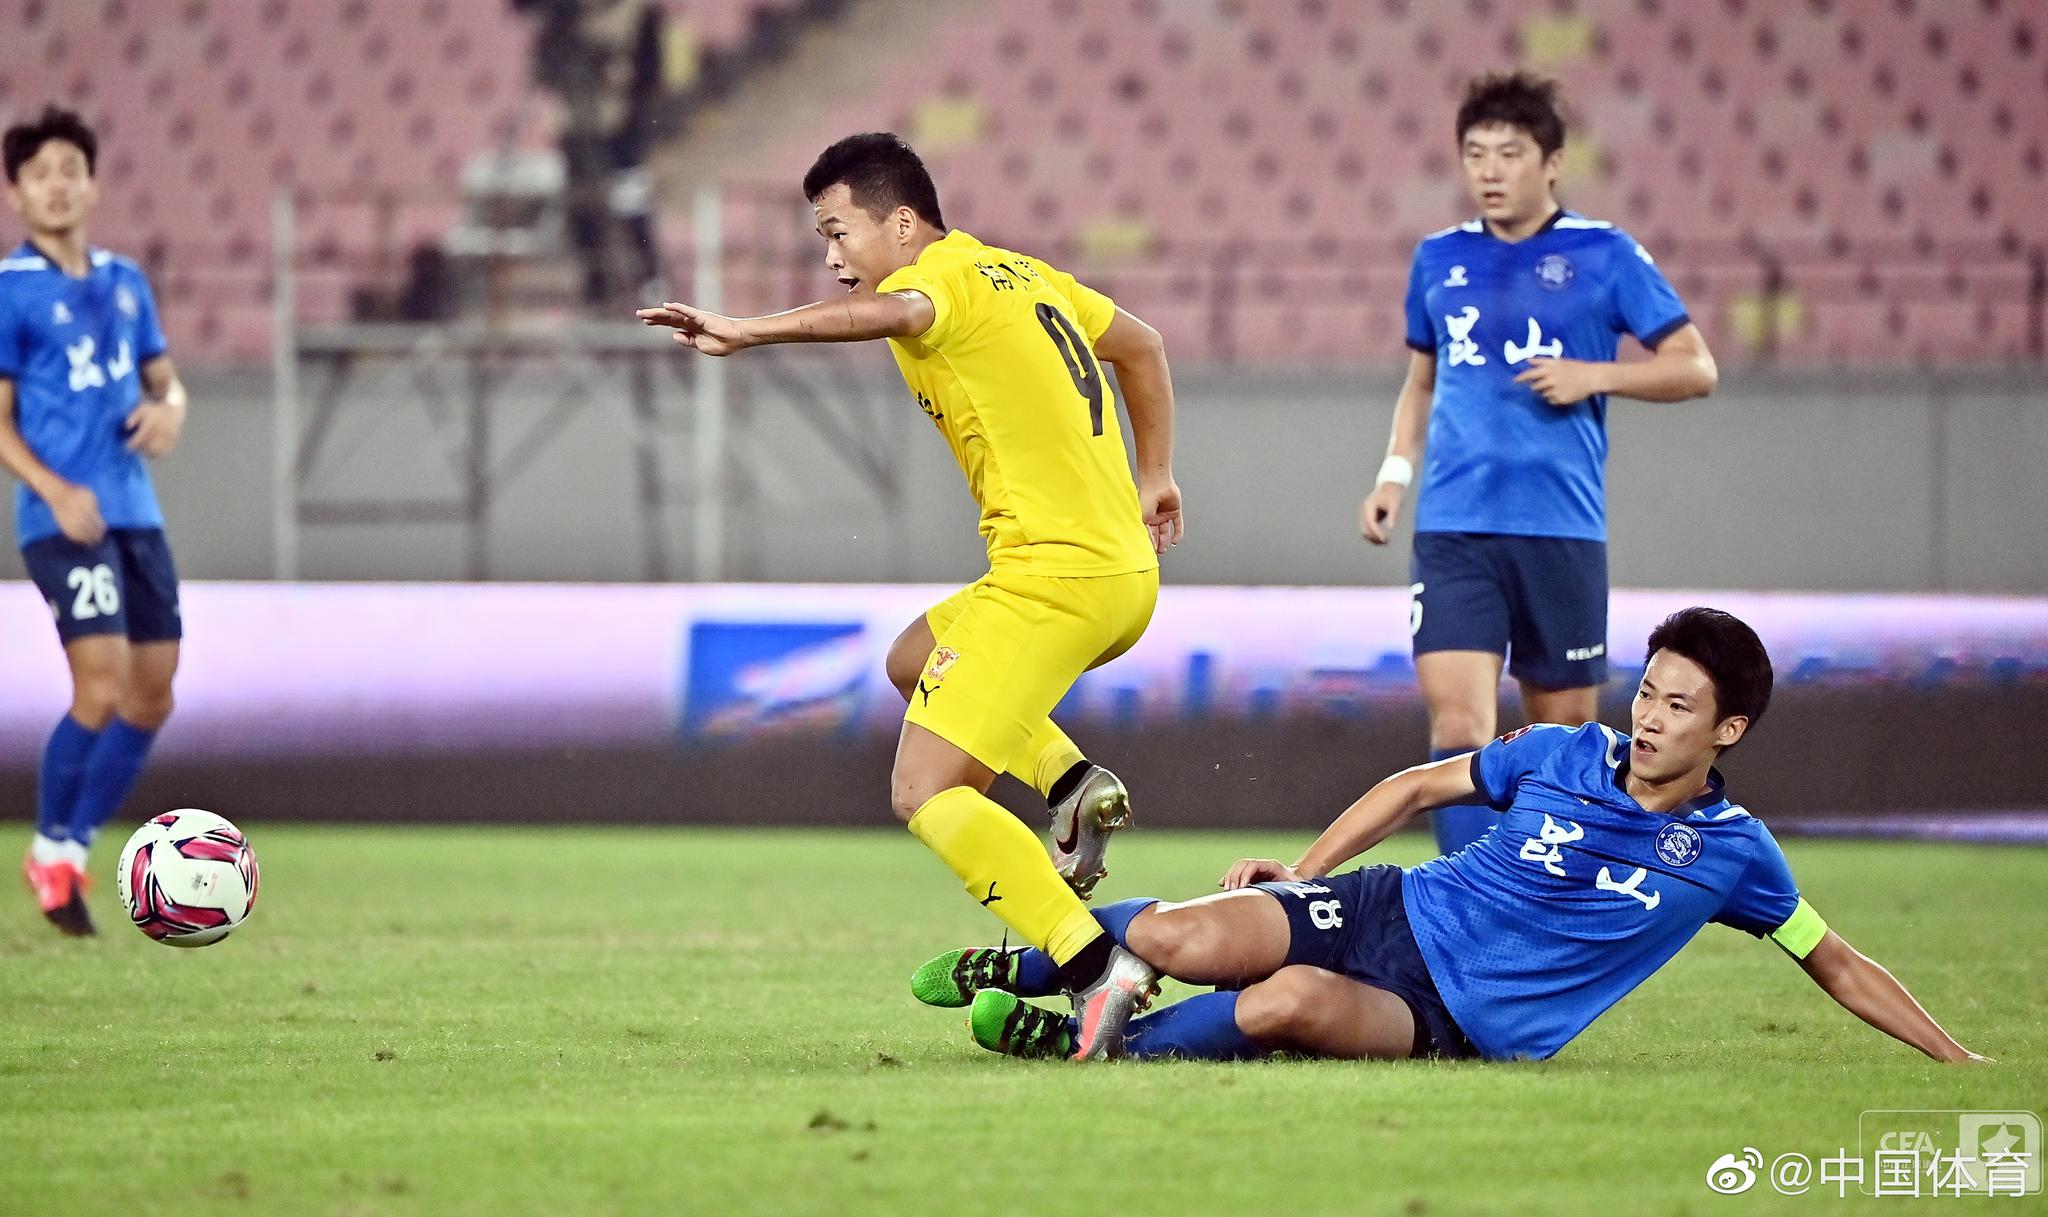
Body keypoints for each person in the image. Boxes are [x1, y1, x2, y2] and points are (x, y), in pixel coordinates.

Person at [639, 132, 1185, 1058]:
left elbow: (893, 315)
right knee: (912, 657)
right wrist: (1157, 474)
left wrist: (751, 329)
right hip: (1115, 569)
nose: (832, 256)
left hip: (1054, 579)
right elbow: (1143, 345)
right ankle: (1068, 781)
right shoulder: (1026, 273)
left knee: (925, 792)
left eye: (838, 231)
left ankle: (1095, 968)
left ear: (900, 222)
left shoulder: (946, 284)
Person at [918, 608, 1988, 1066]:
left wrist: (1950, 1053)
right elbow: (1418, 782)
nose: (1652, 718)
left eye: (1679, 706)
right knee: (1186, 935)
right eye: (1648, 692)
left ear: (1729, 728)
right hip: (1389, 906)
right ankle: (1020, 956)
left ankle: (1081, 1041)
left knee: (1282, 1004)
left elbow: (1832, 958)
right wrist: (1307, 870)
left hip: (1457, 1015)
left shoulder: (1732, 854)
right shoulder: (1563, 748)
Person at [1357, 72, 1719, 857]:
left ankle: (1541, 899)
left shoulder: (1606, 254)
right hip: (1454, 526)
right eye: (1475, 154)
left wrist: (1597, 374)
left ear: (1552, 163)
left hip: (1560, 529)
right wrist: (1394, 474)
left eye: (1509, 153)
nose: (1489, 170)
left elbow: (1696, 367)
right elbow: (1423, 380)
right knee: (1459, 728)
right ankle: (1464, 902)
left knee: (1560, 743)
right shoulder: (1438, 259)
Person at [1, 107, 190, 935]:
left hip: (135, 510)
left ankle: (69, 850)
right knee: (101, 684)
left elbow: (164, 378)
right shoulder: (10, 291)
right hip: (63, 517)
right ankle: (51, 846)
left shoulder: (125, 279)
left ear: (93, 182)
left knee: (153, 697)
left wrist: (172, 408)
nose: (57, 185)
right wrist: (54, 485)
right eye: (39, 173)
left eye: (70, 168)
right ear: (16, 194)